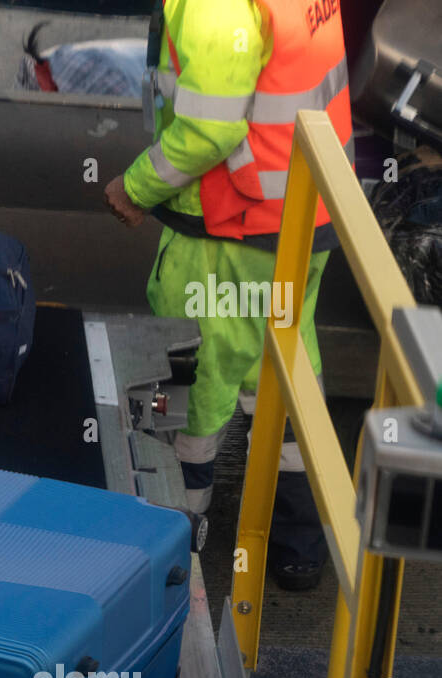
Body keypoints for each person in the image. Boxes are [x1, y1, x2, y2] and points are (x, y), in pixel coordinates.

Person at [104, 0, 353, 591]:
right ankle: (299, 540)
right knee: (285, 361)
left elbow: (209, 131)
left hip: (232, 224)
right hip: (304, 207)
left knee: (192, 382)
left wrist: (135, 187)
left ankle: (174, 538)